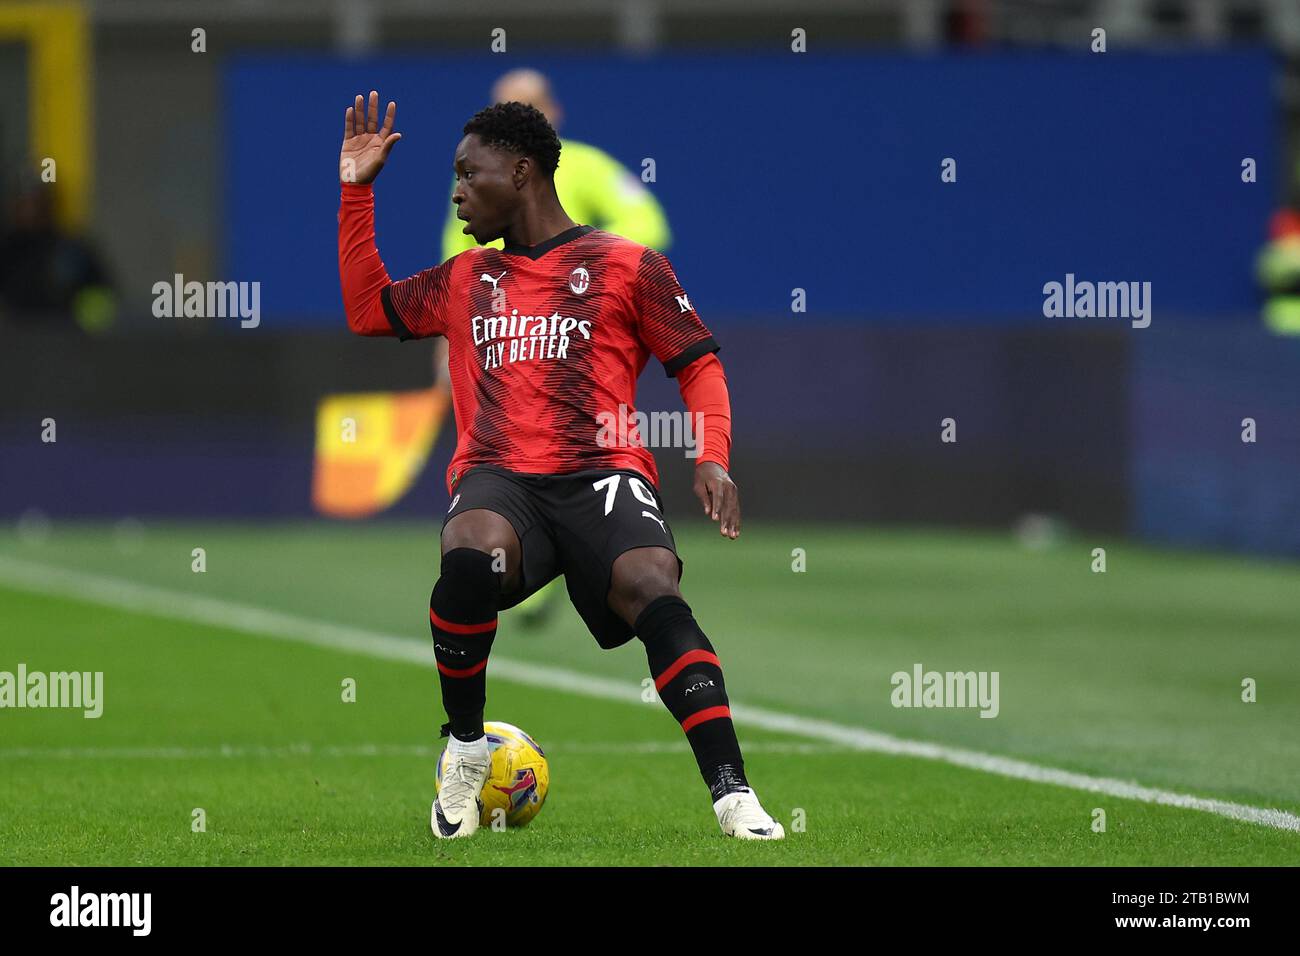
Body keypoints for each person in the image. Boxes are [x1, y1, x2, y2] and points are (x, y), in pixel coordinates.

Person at [337, 91, 783, 840]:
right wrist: (357, 191)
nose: (455, 191)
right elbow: (366, 309)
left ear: (519, 174)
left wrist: (712, 458)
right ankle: (467, 749)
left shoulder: (627, 266)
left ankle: (733, 794)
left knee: (653, 588)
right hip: (501, 477)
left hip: (601, 472)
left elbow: (698, 363)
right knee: (468, 557)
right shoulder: (463, 279)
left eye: (466, 174)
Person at [436, 69, 671, 628]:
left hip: (569, 339)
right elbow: (454, 257)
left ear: (553, 116)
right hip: (502, 339)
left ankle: (568, 551)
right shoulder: (479, 184)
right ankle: (527, 560)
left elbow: (646, 221)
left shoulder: (585, 167)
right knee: (497, 450)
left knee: (579, 450)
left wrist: (580, 265)